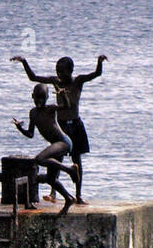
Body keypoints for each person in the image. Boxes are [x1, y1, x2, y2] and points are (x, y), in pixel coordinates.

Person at [10, 54, 106, 204]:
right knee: (55, 158)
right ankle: (53, 193)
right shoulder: (55, 81)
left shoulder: (78, 81)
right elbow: (34, 78)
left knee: (76, 160)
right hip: (60, 124)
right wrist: (24, 62)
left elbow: (96, 74)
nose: (59, 75)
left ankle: (78, 196)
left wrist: (99, 62)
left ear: (70, 71)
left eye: (62, 72)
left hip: (75, 124)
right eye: (57, 72)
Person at [12, 84, 81, 212]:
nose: (39, 101)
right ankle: (69, 198)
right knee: (51, 179)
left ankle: (70, 170)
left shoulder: (50, 109)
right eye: (37, 98)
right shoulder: (32, 113)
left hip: (63, 142)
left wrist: (63, 95)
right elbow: (31, 134)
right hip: (54, 145)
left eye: (43, 98)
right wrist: (20, 128)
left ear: (47, 98)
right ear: (32, 96)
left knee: (39, 159)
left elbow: (67, 106)